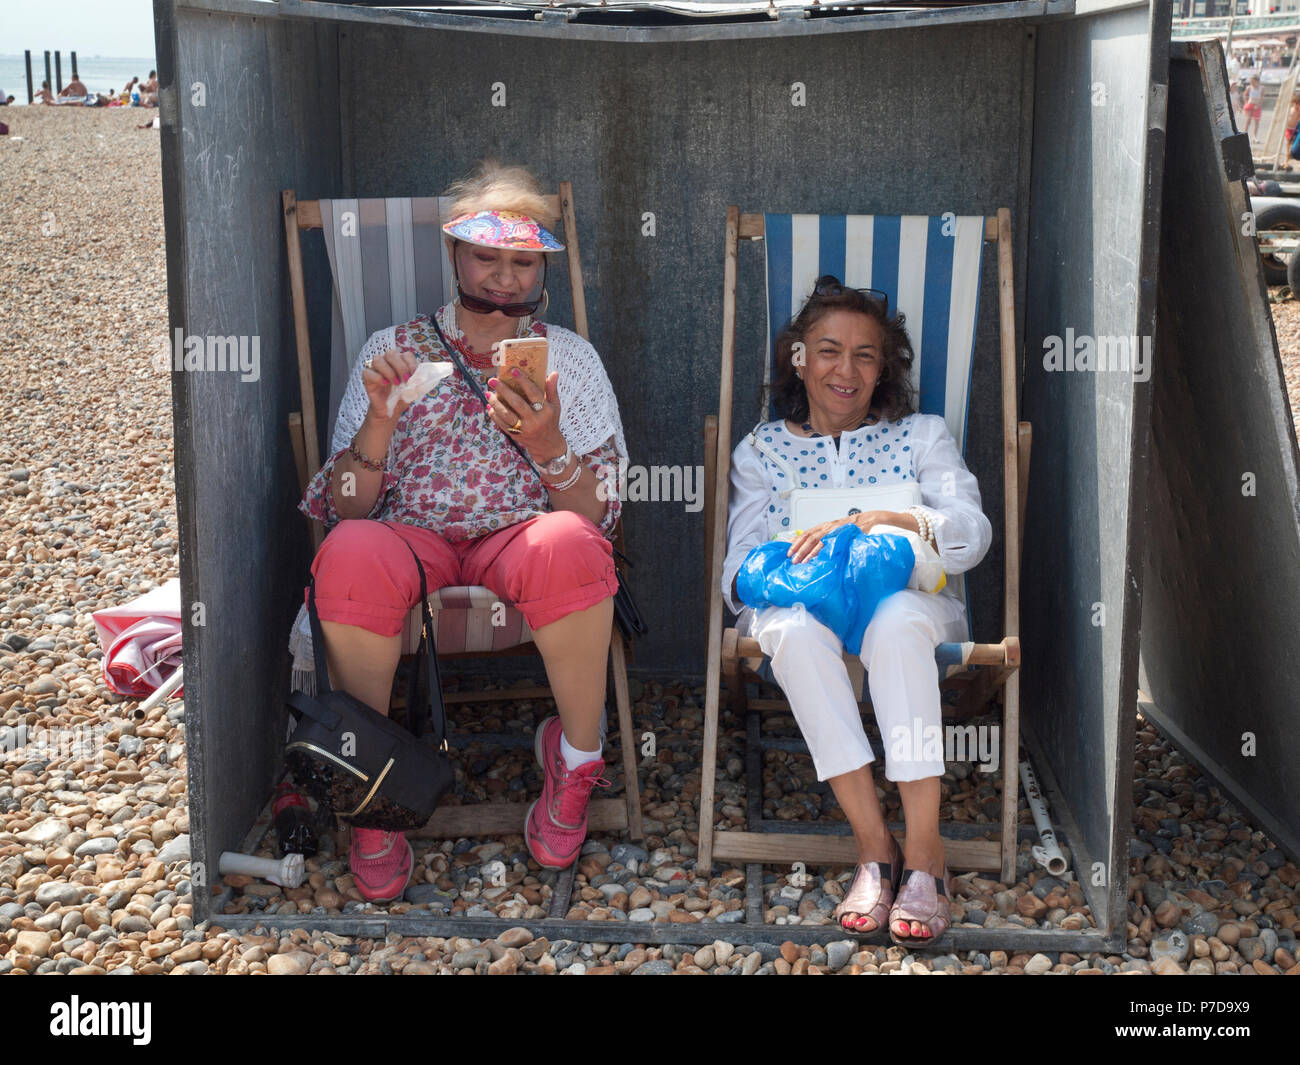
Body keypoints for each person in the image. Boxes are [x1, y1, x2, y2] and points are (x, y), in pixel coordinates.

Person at [297, 159, 627, 903]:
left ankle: (576, 761)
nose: (505, 278)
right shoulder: (395, 350)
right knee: (348, 551)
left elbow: (599, 512)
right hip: (410, 535)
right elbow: (345, 506)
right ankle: (371, 788)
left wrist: (548, 446)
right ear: (454, 254)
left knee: (574, 546)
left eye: (522, 261)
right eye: (487, 256)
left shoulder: (568, 362)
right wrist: (381, 418)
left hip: (519, 533)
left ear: (541, 266)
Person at [721, 278, 991, 944]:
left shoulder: (921, 436)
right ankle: (875, 848)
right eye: (829, 350)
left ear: (884, 368)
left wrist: (895, 521)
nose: (846, 370)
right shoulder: (760, 452)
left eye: (866, 355)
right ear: (799, 359)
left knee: (897, 620)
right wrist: (799, 568)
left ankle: (925, 850)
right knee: (792, 626)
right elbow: (735, 576)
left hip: (917, 607)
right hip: (802, 608)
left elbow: (972, 534)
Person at [1245, 75, 1264, 140]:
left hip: (1257, 105)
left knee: (1256, 122)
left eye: (1253, 81)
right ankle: (1245, 133)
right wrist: (1246, 102)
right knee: (1248, 120)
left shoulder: (1262, 88)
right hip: (1250, 104)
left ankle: (1254, 136)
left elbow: (1262, 97)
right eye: (1251, 81)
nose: (1252, 83)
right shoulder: (1249, 87)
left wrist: (1258, 105)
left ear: (1257, 81)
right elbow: (1245, 94)